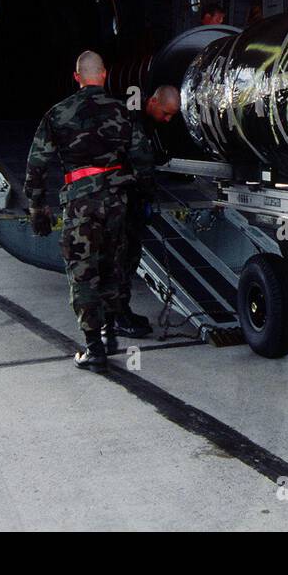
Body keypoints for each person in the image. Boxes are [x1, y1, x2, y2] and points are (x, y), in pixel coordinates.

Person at [24, 51, 150, 371]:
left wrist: (38, 206)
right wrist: (135, 195)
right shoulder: (125, 112)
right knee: (112, 263)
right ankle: (109, 329)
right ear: (105, 75)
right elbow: (144, 160)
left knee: (83, 270)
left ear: (76, 76)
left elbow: (37, 164)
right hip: (117, 202)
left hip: (80, 204)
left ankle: (94, 347)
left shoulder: (58, 113)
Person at [109, 85, 181, 339]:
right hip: (120, 201)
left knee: (127, 257)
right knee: (121, 257)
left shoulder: (142, 121)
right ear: (152, 102)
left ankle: (120, 312)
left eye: (172, 115)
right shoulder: (133, 121)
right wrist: (148, 194)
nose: (168, 119)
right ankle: (116, 317)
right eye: (166, 113)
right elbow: (141, 166)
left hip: (126, 199)